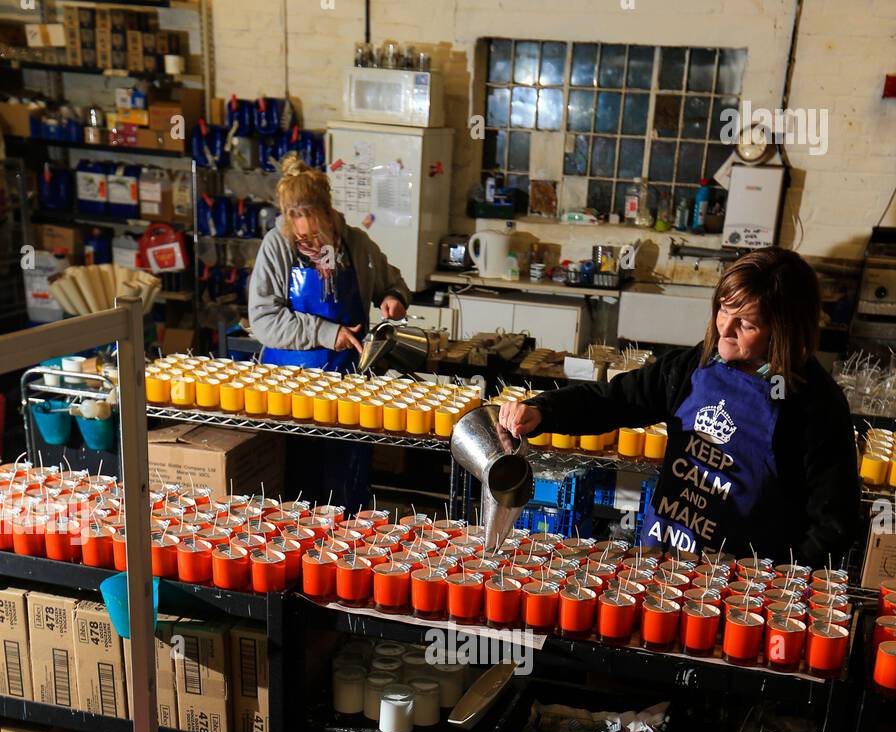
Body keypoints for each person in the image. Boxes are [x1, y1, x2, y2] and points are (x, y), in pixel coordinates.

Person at [498, 247, 861, 566]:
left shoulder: (815, 405)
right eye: (722, 310)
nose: (725, 329)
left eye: (745, 324)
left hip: (741, 596)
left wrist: (778, 584)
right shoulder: (693, 368)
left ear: (783, 331)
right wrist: (543, 411)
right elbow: (615, 401)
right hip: (662, 563)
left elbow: (834, 524)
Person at [248, 154, 411, 512]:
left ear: (328, 212)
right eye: (297, 226)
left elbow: (392, 281)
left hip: (347, 386)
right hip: (289, 390)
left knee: (344, 486)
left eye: (313, 226)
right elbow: (263, 320)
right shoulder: (277, 247)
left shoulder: (357, 245)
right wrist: (325, 332)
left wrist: (393, 298)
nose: (305, 234)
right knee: (295, 489)